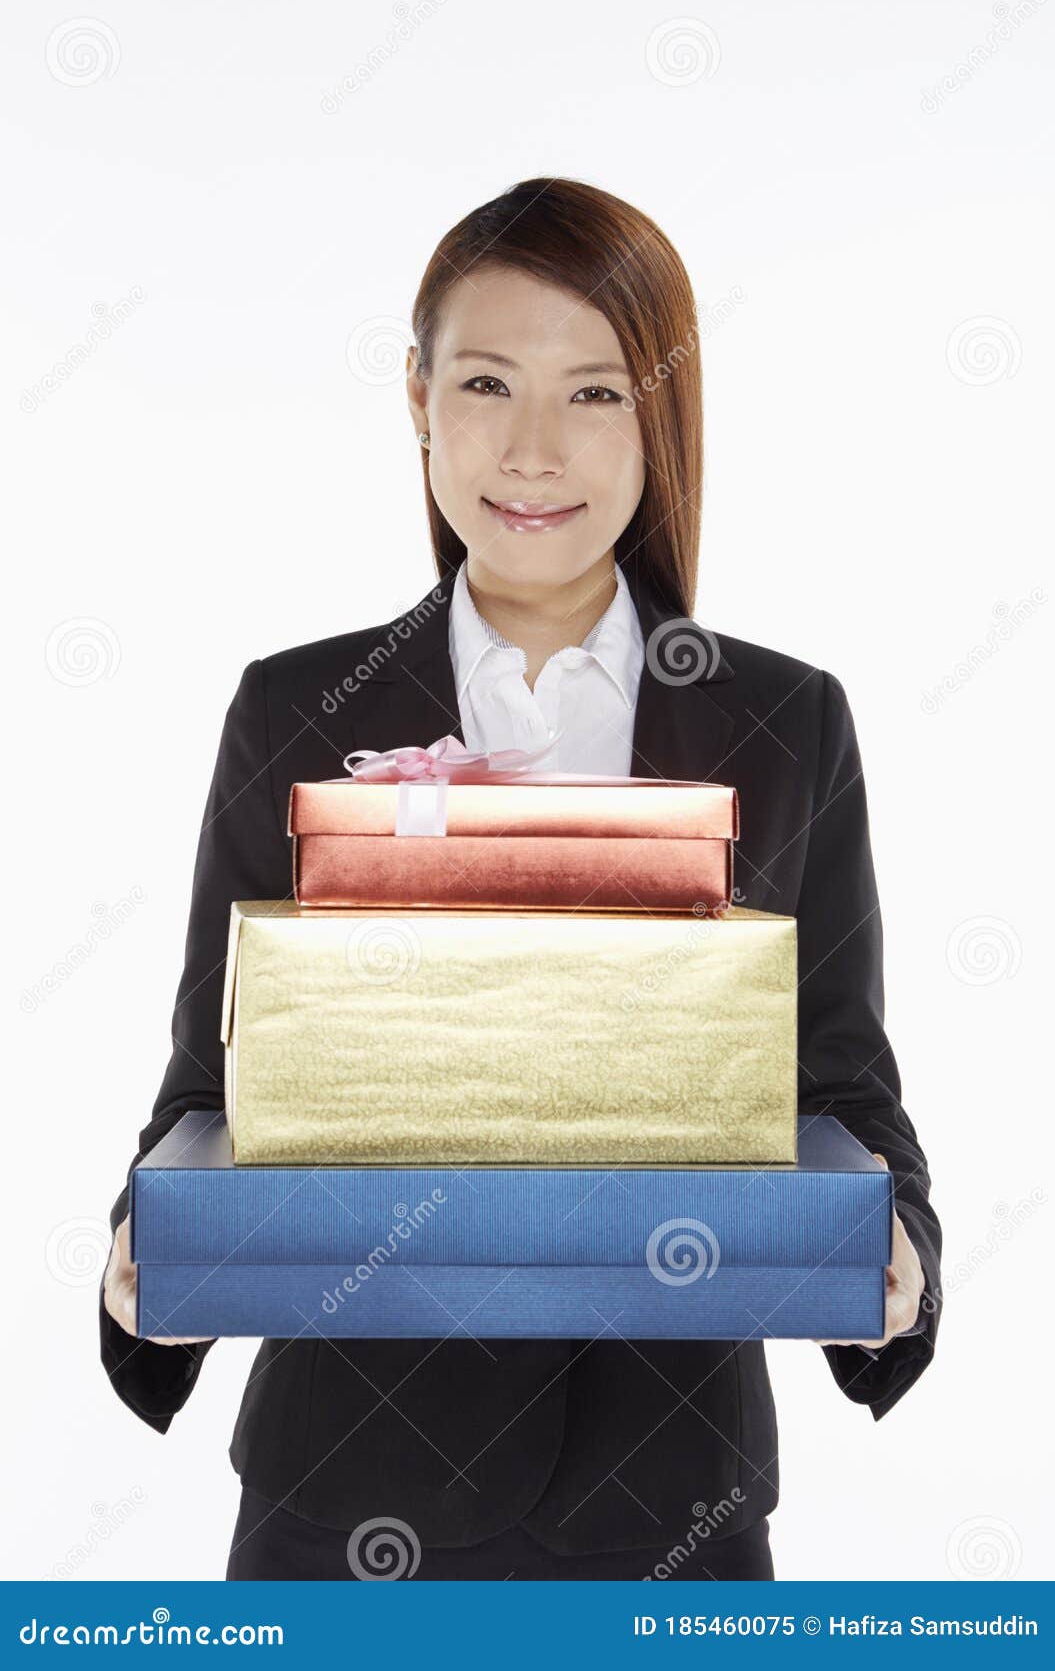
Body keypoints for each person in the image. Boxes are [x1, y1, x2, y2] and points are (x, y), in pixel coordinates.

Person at [101, 176, 941, 1582]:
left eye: (597, 393)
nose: (535, 448)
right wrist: (155, 1255)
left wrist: (893, 1253)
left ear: (659, 418)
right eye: (488, 381)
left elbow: (843, 1081)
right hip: (342, 1489)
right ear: (418, 397)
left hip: (674, 1498)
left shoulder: (784, 721)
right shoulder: (297, 709)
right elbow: (213, 1083)